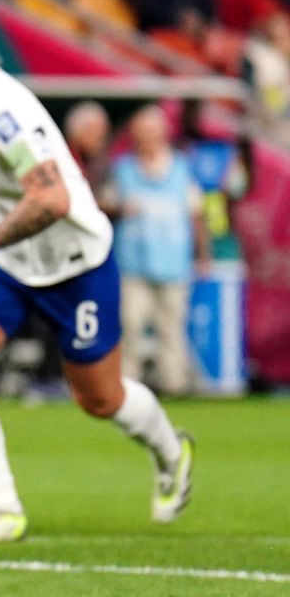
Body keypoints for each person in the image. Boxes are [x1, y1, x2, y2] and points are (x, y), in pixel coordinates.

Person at [0, 0, 194, 545]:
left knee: (99, 398)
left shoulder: (5, 113)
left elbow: (52, 199)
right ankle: (1, 509)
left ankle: (170, 450)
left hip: (74, 261)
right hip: (3, 259)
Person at [105, 107, 208, 395]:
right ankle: (127, 389)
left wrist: (202, 255)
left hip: (173, 262)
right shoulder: (123, 169)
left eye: (151, 133)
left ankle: (174, 386)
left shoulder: (180, 168)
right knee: (130, 326)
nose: (146, 139)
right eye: (141, 134)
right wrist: (119, 209)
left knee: (172, 329)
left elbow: (196, 215)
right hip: (134, 263)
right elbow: (106, 206)